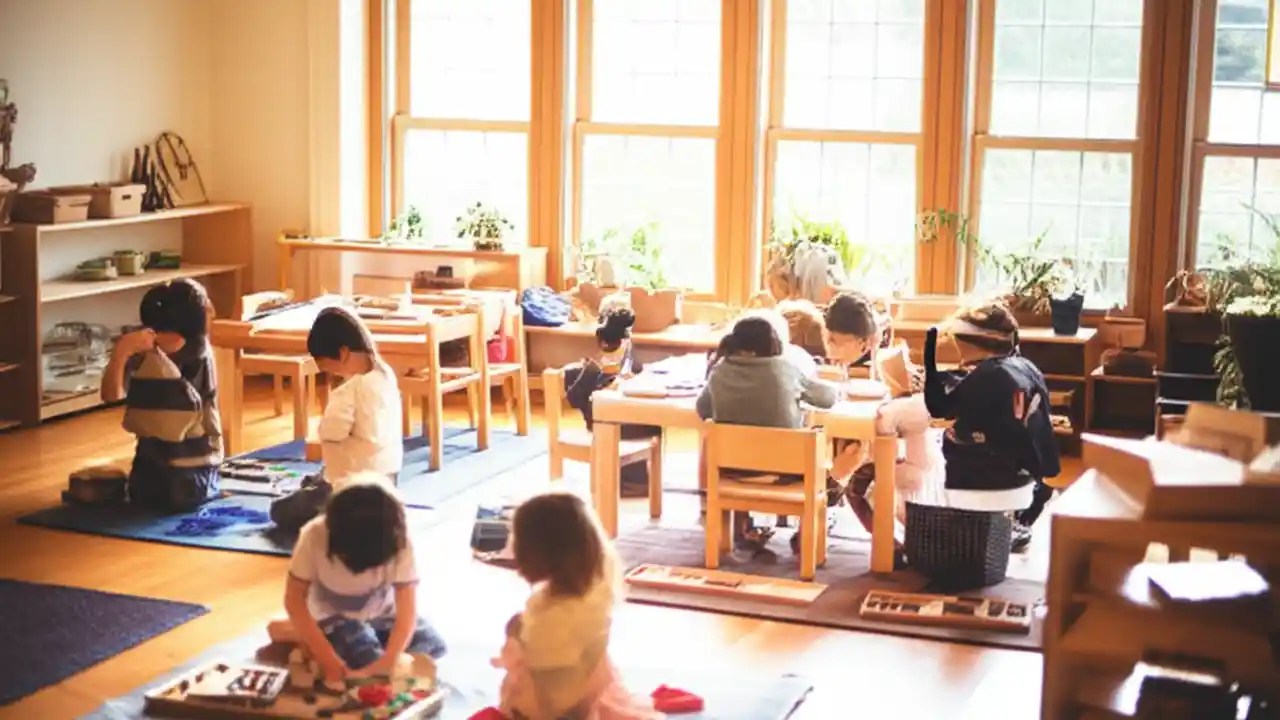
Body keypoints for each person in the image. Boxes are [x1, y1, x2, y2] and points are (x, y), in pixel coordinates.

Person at [493, 493, 658, 720]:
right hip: (592, 684)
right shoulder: (595, 587)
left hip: (556, 704)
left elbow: (547, 676)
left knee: (515, 629)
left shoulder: (553, 621)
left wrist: (516, 639)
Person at [924, 302, 1060, 551]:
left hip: (991, 477)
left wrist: (929, 370)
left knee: (928, 447)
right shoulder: (1025, 367)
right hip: (1029, 475)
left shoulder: (986, 376)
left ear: (966, 342)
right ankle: (1017, 519)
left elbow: (941, 410)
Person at [696, 316, 842, 548]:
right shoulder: (784, 369)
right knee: (825, 463)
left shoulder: (719, 371)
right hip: (786, 472)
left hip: (733, 471)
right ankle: (808, 532)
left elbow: (703, 410)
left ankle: (741, 528)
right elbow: (827, 398)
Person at [283, 477, 446, 683]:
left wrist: (390, 660)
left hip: (384, 617)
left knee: (433, 645)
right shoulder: (314, 535)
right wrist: (328, 659)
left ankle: (300, 638)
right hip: (335, 620)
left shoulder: (399, 537)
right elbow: (294, 600)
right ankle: (303, 640)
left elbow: (407, 609)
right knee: (365, 653)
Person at [270, 307, 403, 533]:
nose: (331, 374)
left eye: (327, 367)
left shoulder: (348, 391)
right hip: (388, 484)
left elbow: (331, 432)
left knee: (280, 509)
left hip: (350, 493)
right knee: (318, 482)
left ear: (342, 354)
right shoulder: (385, 375)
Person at [101, 279, 221, 512]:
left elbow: (110, 396)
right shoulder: (202, 348)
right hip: (194, 481)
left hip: (148, 481)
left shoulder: (147, 351)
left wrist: (122, 351)